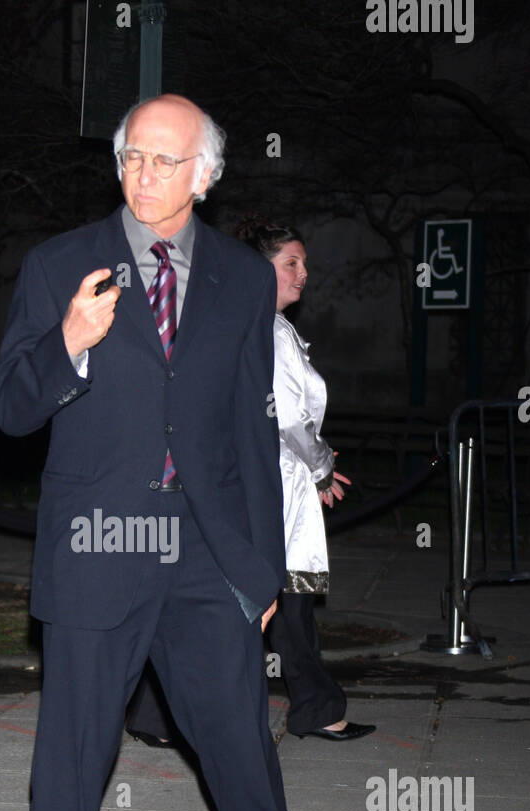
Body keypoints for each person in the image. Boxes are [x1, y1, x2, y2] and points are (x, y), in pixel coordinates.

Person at [0, 94, 329, 811]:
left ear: (207, 176)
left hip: (206, 560)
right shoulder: (62, 264)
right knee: (70, 772)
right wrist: (67, 344)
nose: (145, 175)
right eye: (133, 156)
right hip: (99, 543)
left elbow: (249, 432)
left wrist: (260, 570)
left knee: (246, 771)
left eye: (166, 162)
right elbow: (8, 407)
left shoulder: (237, 279)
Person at [127, 219, 376, 744]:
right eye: (291, 263)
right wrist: (323, 467)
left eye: (305, 264)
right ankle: (315, 707)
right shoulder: (264, 328)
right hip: (272, 487)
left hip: (265, 481)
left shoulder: (253, 322)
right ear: (258, 267)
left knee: (270, 606)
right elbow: (287, 418)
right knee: (285, 602)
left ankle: (157, 714)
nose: (303, 274)